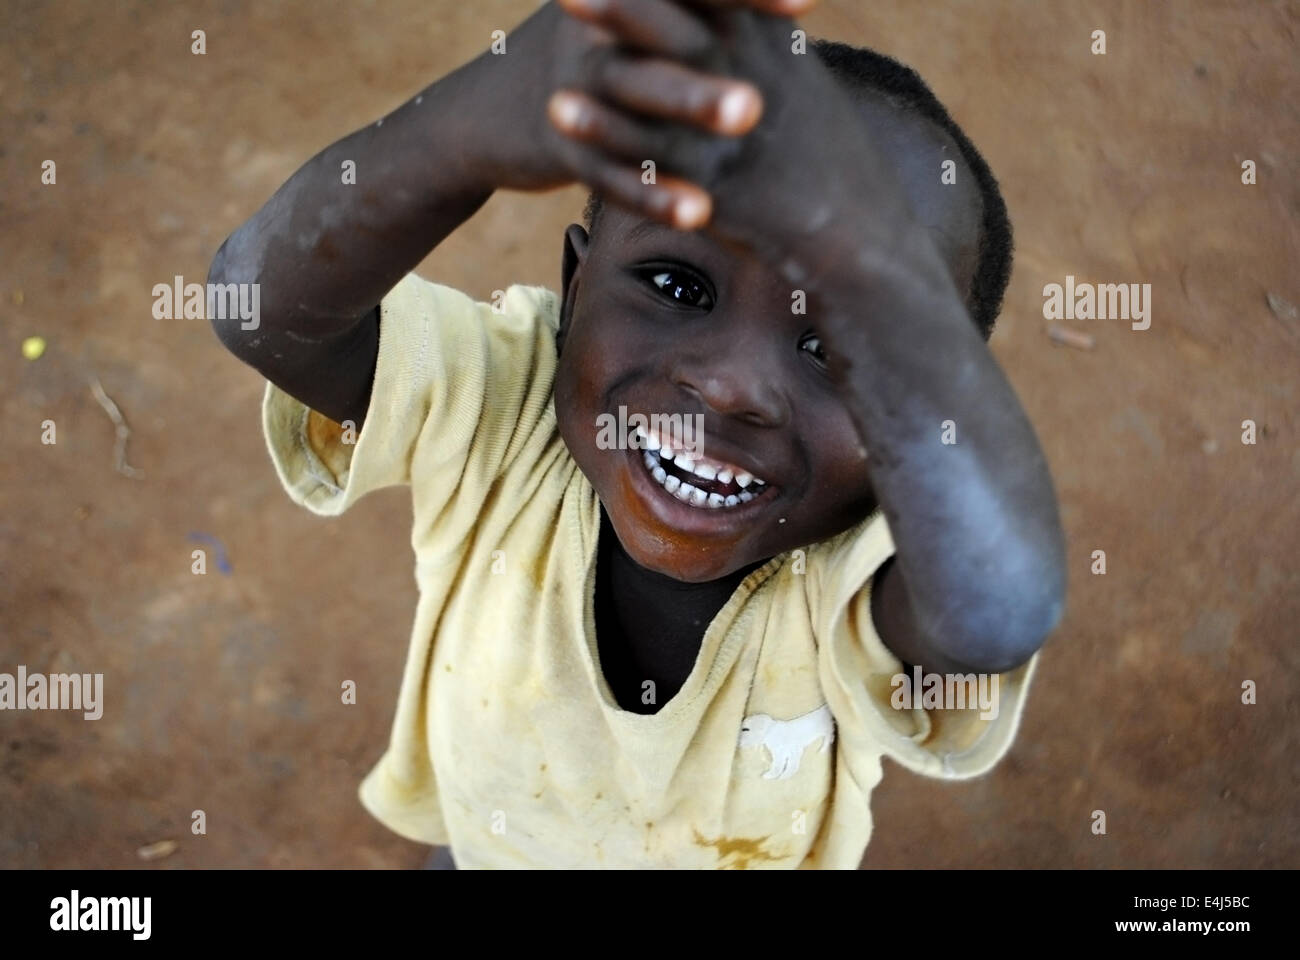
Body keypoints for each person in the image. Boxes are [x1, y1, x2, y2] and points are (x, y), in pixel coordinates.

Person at [209, 0, 1066, 869]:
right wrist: (462, 131)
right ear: (576, 288)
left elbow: (997, 607)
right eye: (676, 284)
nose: (732, 385)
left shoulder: (860, 573)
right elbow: (260, 311)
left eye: (842, 350)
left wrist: (884, 278)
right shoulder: (505, 411)